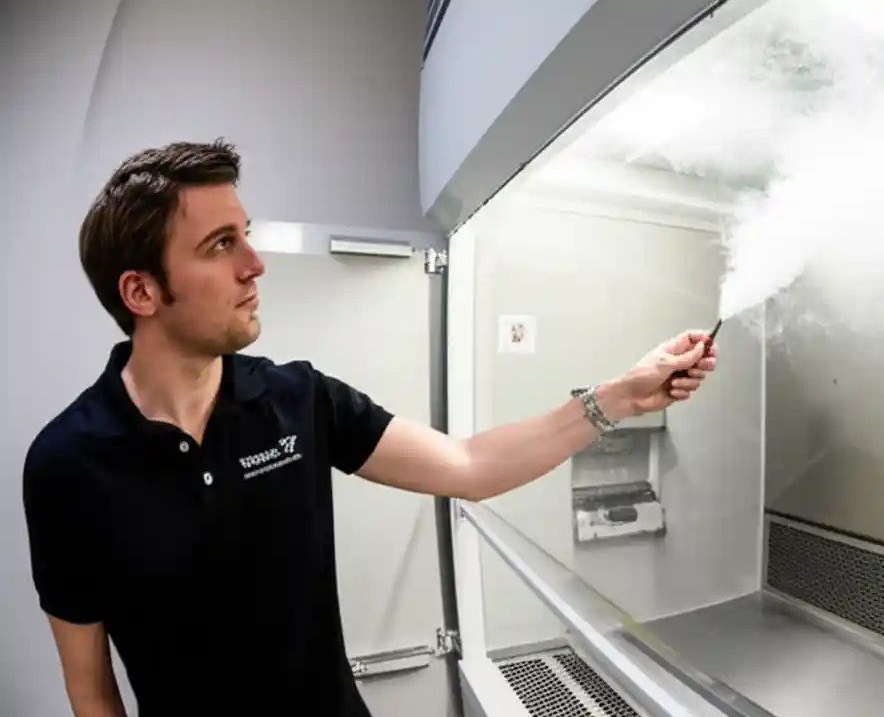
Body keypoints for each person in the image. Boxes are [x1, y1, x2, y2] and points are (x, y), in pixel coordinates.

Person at [23, 140, 718, 717]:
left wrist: (620, 397)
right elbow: (90, 688)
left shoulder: (297, 399)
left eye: (248, 236)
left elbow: (469, 467)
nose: (254, 264)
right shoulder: (67, 464)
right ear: (142, 292)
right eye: (220, 244)